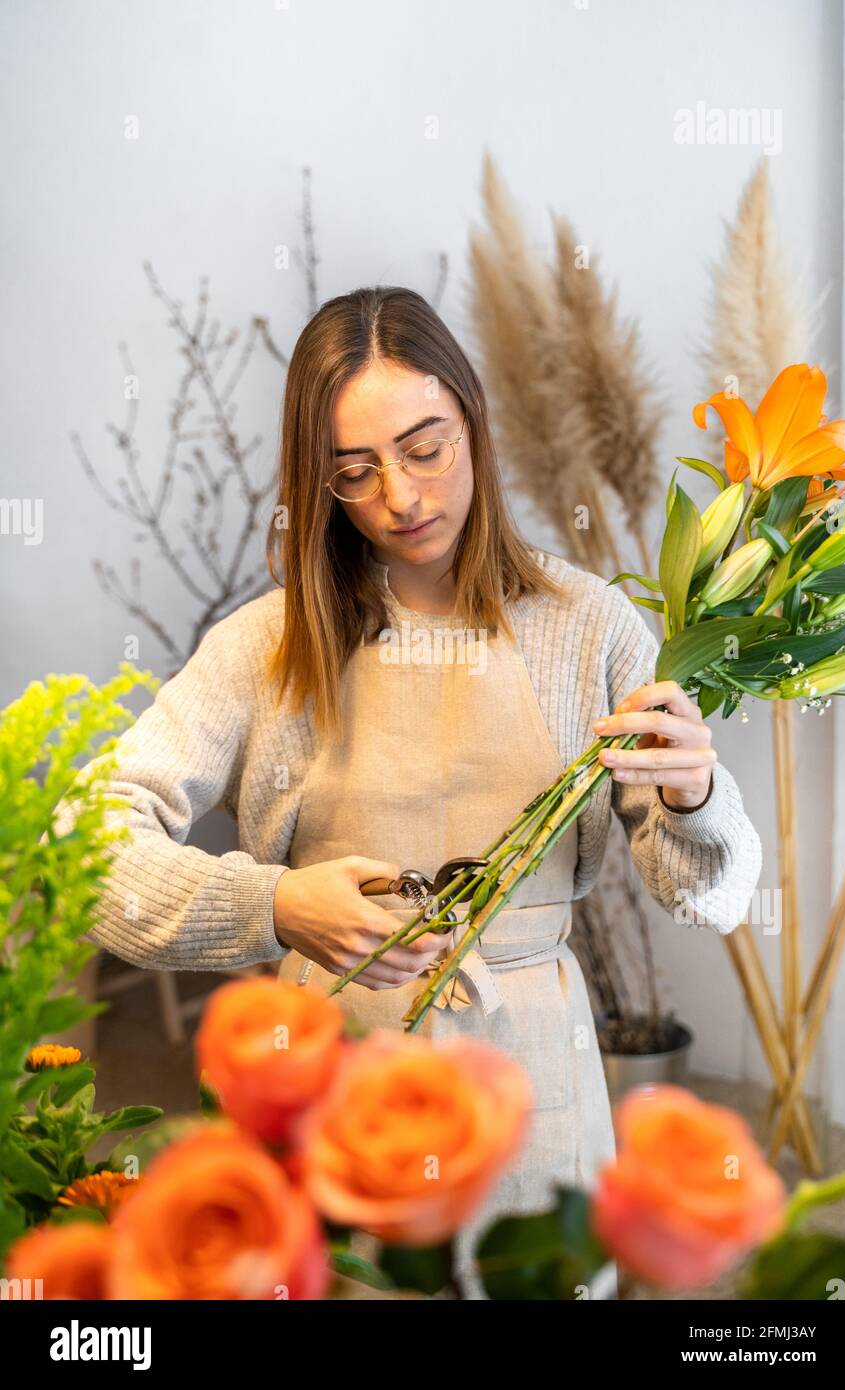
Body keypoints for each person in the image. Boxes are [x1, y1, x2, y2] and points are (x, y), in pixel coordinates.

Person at [65, 286, 762, 1299]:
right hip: (332, 1069)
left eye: (424, 446)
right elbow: (89, 849)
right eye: (354, 472)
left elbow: (709, 893)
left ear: (472, 418)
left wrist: (696, 793)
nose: (400, 495)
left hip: (530, 1072)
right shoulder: (266, 648)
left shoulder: (589, 626)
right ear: (320, 485)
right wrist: (269, 905)